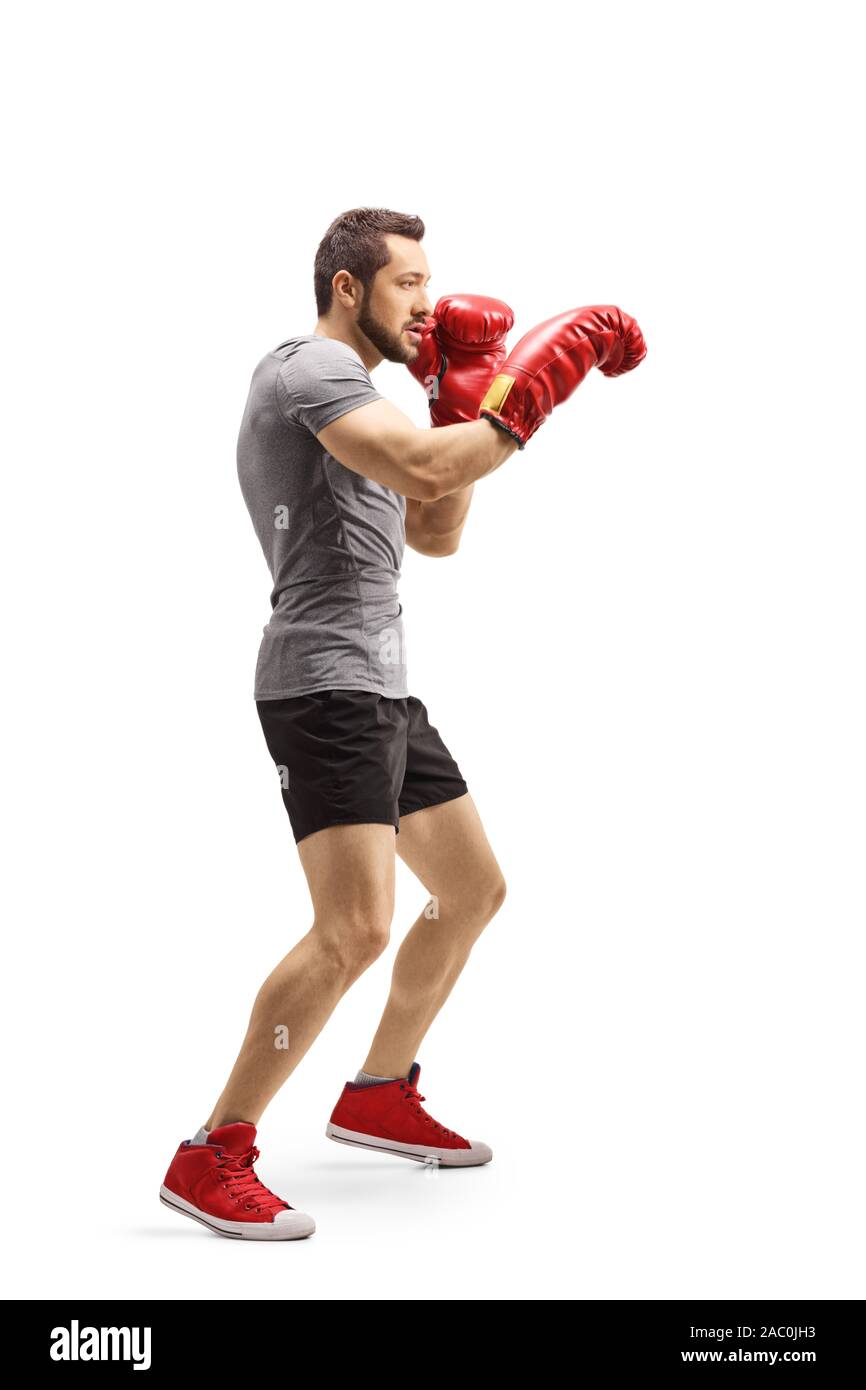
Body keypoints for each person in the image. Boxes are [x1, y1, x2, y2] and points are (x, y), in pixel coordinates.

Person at [159, 206, 646, 1239]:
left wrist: (451, 401)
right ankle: (212, 1152)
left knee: (470, 889)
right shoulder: (307, 374)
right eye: (406, 285)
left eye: (431, 284)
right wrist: (524, 403)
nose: (426, 303)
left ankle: (375, 1092)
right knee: (355, 929)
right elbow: (432, 469)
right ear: (348, 289)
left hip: (382, 685)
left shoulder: (376, 401)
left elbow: (435, 528)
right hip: (322, 687)